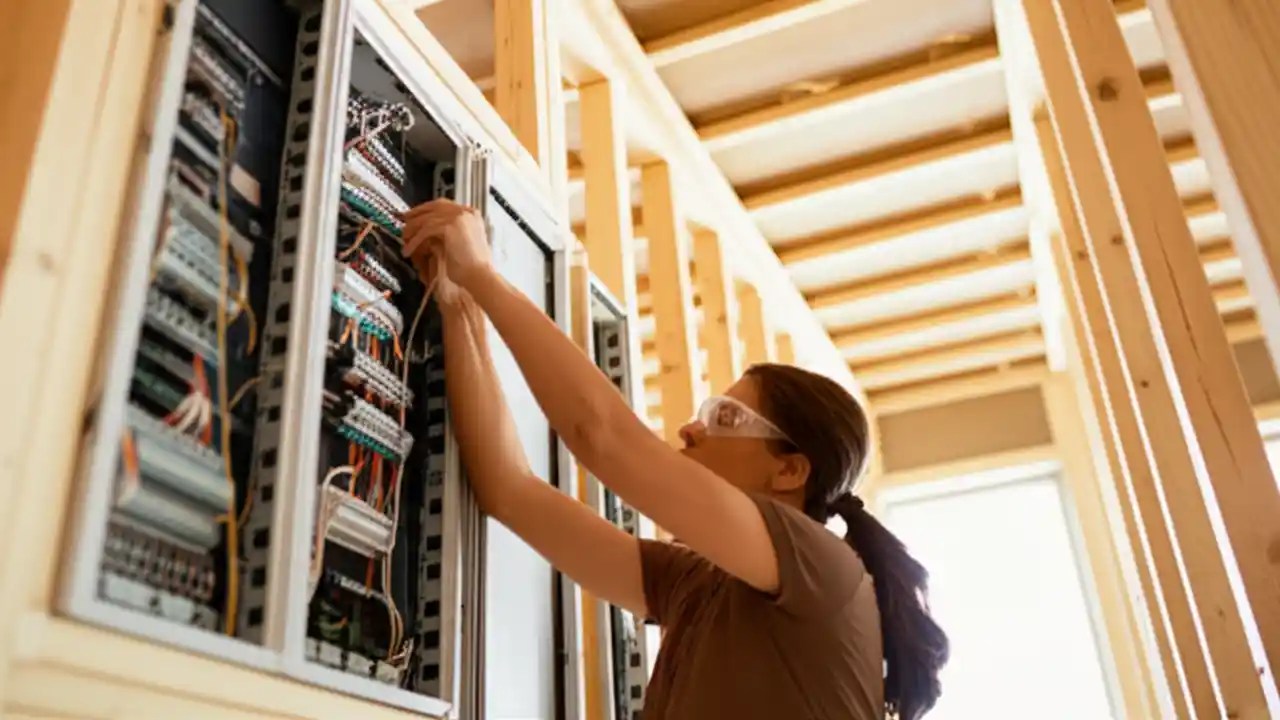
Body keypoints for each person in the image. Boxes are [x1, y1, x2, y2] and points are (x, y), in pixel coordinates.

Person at [401, 199, 949, 720]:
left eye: (726, 418)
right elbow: (511, 490)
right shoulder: (697, 583)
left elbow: (602, 436)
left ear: (790, 470)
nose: (691, 428)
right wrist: (461, 311)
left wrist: (485, 277)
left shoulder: (823, 568)